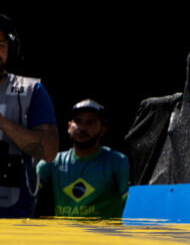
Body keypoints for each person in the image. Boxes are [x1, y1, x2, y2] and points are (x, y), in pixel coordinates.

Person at [0, 14, 58, 218]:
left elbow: (50, 151)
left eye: (0, 44)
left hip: (12, 220)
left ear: (11, 50)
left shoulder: (31, 91)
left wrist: (4, 124)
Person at [35, 99, 131, 219]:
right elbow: (27, 199)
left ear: (102, 130)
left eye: (90, 122)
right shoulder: (51, 163)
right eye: (77, 121)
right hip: (64, 236)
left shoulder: (118, 162)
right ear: (69, 126)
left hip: (104, 236)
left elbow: (133, 206)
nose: (82, 128)